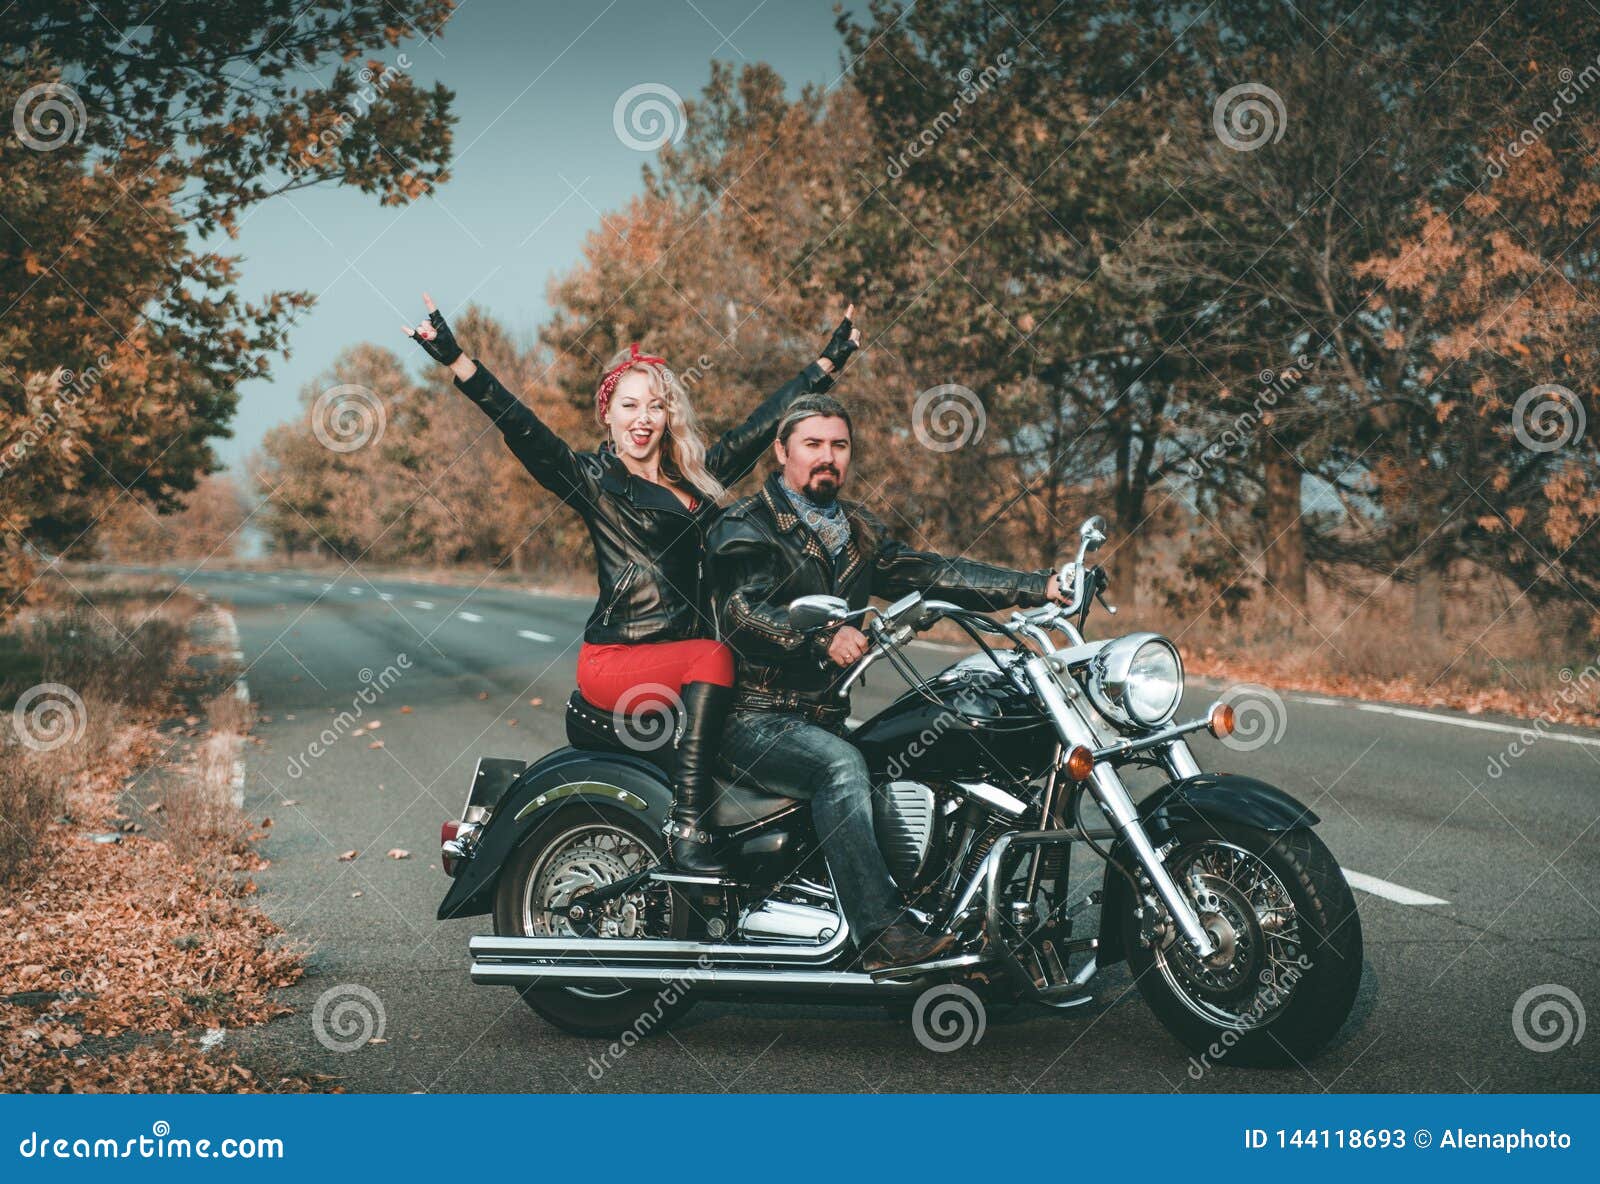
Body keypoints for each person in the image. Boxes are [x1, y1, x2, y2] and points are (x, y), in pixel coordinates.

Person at [402, 295, 861, 873]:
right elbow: (522, 427)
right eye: (629, 405)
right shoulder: (593, 481)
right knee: (715, 658)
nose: (642, 418)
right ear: (608, 414)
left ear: (669, 415)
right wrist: (454, 356)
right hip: (619, 660)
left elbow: (759, 427)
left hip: (681, 662)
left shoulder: (697, 479)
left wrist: (826, 365)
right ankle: (687, 827)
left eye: (656, 406)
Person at [706, 393, 1071, 971]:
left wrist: (1038, 585)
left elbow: (933, 573)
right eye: (813, 445)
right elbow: (740, 613)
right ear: (781, 452)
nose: (828, 457)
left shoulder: (855, 530)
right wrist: (818, 638)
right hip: (754, 717)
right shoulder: (744, 526)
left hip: (822, 715)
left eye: (839, 446)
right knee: (840, 767)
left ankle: (945, 910)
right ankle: (880, 933)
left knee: (917, 748)